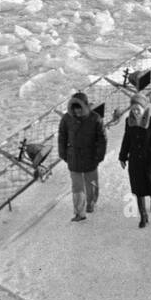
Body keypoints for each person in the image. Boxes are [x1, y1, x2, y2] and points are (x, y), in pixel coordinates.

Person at [58, 90, 107, 221]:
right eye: (74, 109)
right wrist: (63, 154)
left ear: (85, 106)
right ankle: (80, 213)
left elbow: (102, 139)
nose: (77, 112)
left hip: (91, 157)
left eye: (79, 109)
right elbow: (62, 136)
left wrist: (99, 155)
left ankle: (91, 203)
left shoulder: (95, 118)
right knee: (77, 187)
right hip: (73, 158)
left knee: (91, 183)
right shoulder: (66, 119)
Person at [118, 93, 151, 228]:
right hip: (135, 162)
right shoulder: (129, 122)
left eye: (138, 109)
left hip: (149, 161)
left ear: (144, 108)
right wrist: (122, 156)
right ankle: (143, 216)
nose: (135, 112)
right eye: (133, 109)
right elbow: (126, 139)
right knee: (138, 189)